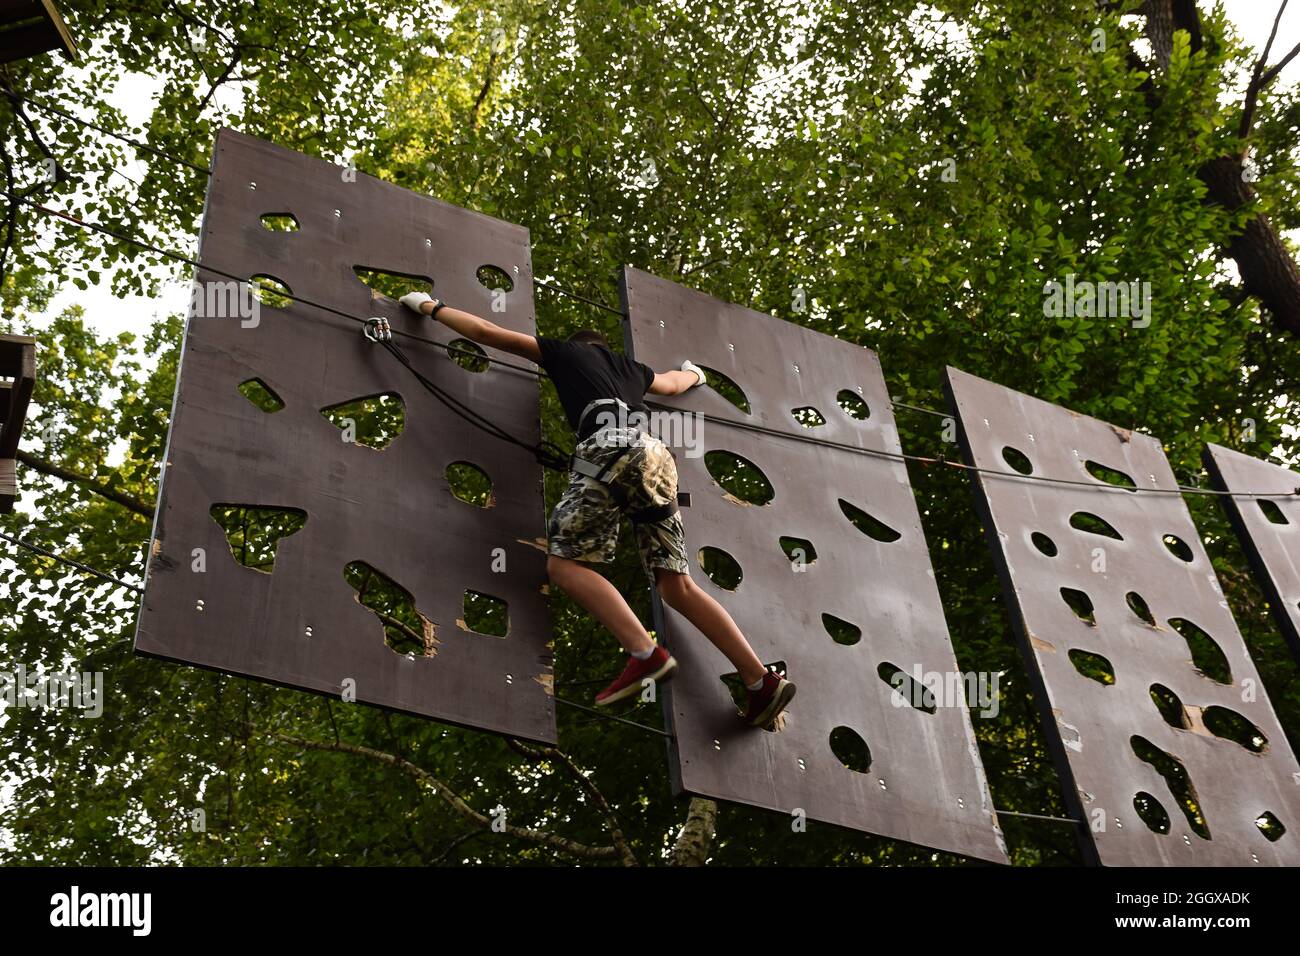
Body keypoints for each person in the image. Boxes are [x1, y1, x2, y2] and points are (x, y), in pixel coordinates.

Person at [399, 291, 795, 727]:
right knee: (675, 585)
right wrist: (695, 374)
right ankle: (759, 681)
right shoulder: (633, 370)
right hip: (657, 455)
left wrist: (430, 307)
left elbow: (486, 332)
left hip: (605, 447)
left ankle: (644, 653)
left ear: (579, 346)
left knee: (566, 567)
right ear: (605, 348)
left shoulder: (563, 352)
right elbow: (673, 383)